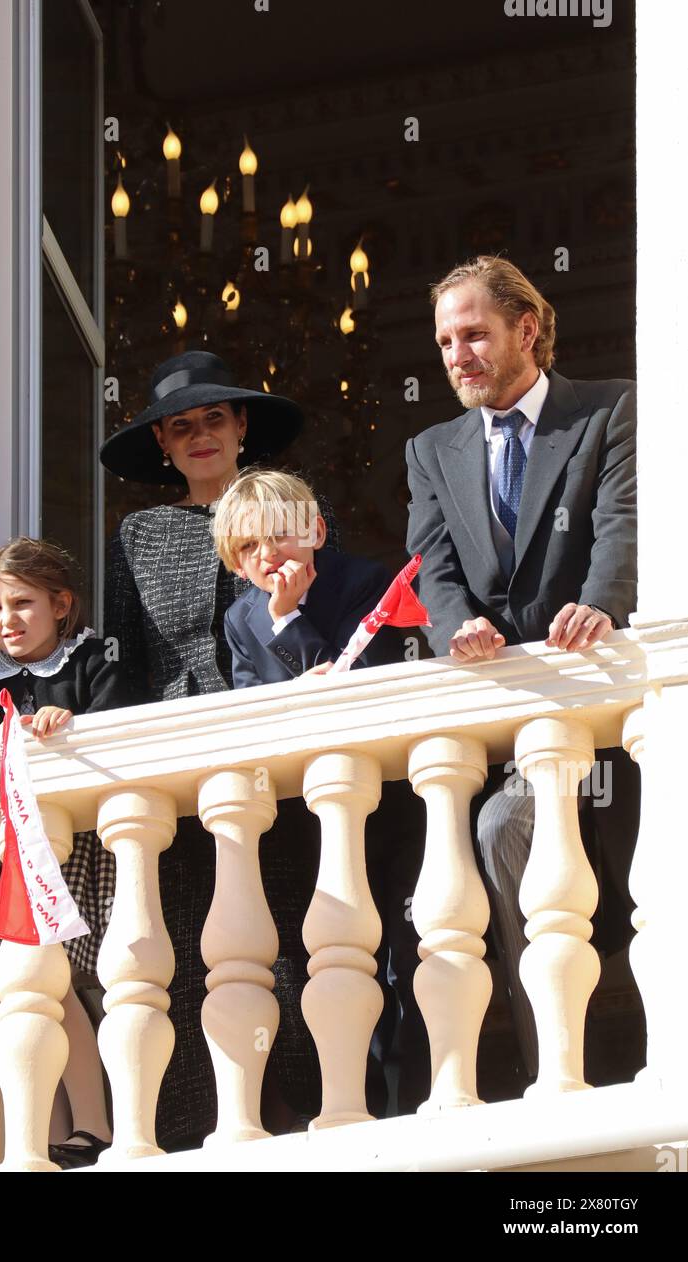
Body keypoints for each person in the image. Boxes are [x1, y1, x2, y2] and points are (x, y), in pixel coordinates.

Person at [404, 254, 639, 1084]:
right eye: (444, 342)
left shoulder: (606, 408)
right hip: (510, 711)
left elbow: (620, 522)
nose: (457, 355)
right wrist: (451, 623)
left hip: (611, 694)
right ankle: (553, 1065)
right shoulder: (431, 448)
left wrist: (602, 602)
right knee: (501, 833)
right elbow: (431, 565)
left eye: (474, 334)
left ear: (527, 330)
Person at [100, 349, 342, 1148]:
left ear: (241, 427)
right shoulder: (138, 534)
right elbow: (125, 660)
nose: (199, 436)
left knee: (285, 945)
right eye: (180, 428)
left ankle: (297, 1122)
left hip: (275, 763)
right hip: (173, 773)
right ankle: (191, 1133)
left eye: (213, 419)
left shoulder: (284, 508)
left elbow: (317, 627)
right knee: (182, 960)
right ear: (162, 447)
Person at [215, 466, 425, 1115]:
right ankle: (350, 1104)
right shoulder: (242, 617)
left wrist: (297, 627)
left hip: (389, 807)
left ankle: (410, 1097)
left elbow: (360, 674)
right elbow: (252, 704)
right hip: (312, 815)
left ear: (316, 532)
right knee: (333, 957)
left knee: (404, 955)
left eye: (278, 536)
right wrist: (280, 622)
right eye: (248, 548)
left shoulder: (358, 582)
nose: (267, 556)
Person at [0, 536, 127, 1168]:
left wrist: (65, 723)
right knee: (12, 986)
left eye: (22, 604)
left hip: (63, 843)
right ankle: (46, 1131)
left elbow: (120, 730)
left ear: (62, 604)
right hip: (6, 849)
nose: (7, 622)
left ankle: (94, 1124)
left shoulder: (91, 660)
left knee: (60, 979)